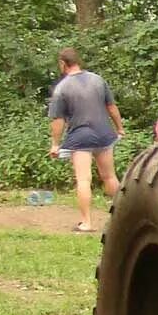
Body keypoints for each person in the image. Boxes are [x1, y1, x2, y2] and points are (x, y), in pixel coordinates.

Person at [47, 46, 123, 232]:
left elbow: (58, 120)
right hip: (104, 134)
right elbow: (111, 107)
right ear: (78, 61)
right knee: (110, 176)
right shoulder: (98, 80)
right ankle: (124, 220)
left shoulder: (62, 88)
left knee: (83, 180)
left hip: (81, 137)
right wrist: (120, 128)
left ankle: (87, 223)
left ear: (63, 64)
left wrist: (55, 144)